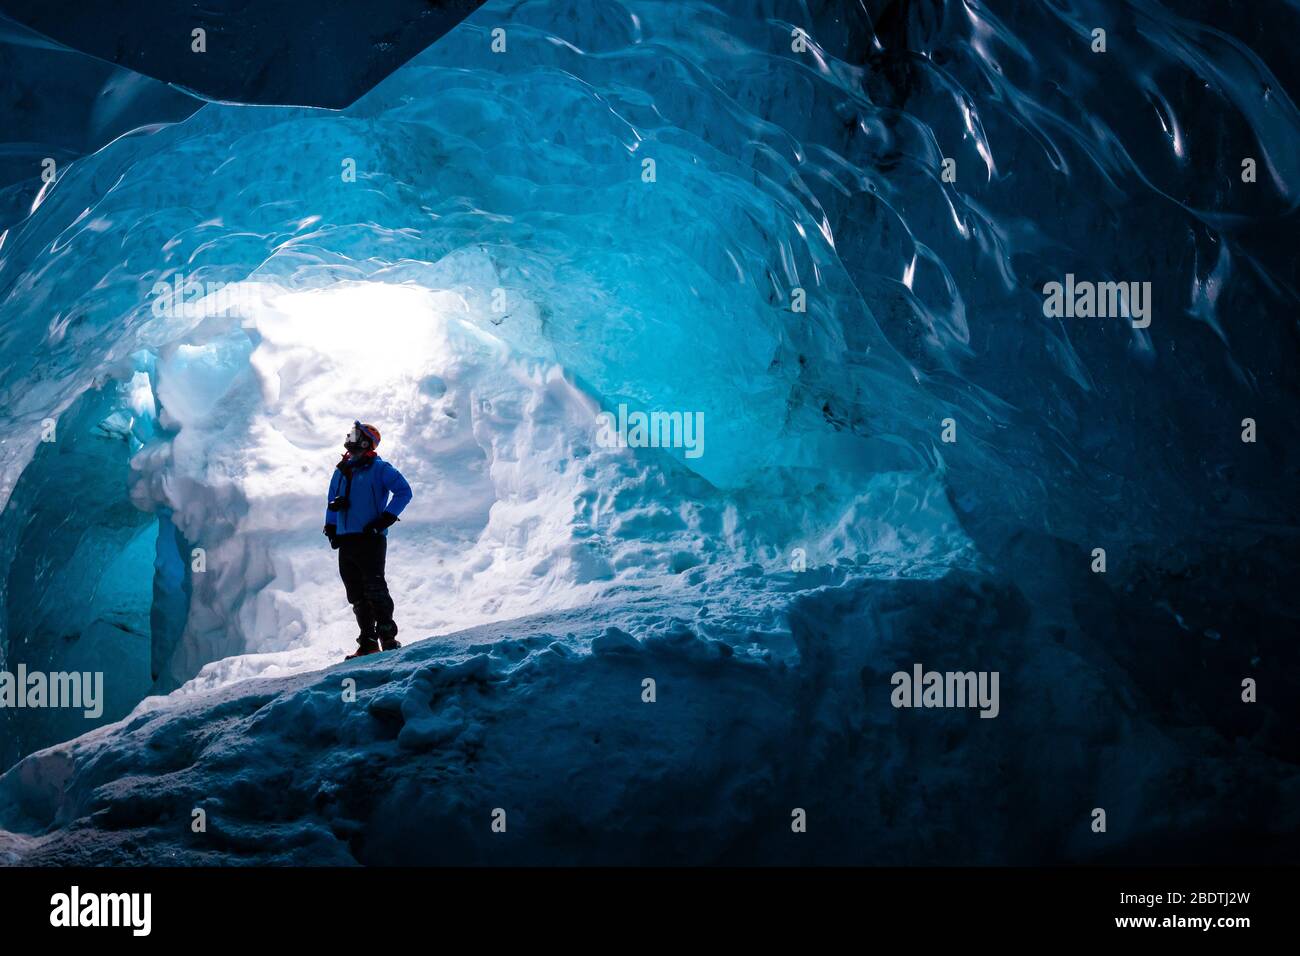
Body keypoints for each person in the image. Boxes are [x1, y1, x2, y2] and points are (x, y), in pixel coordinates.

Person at [323, 421, 413, 659]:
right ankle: (368, 643)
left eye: (355, 434)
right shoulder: (341, 470)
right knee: (356, 595)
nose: (349, 437)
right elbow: (332, 499)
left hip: (370, 539)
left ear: (366, 441)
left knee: (375, 589)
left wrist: (385, 519)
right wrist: (331, 526)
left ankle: (388, 638)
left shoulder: (380, 469)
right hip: (346, 540)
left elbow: (404, 491)